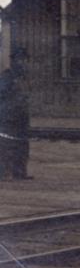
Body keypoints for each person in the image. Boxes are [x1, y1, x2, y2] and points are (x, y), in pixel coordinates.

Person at [0, 47, 30, 180]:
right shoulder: (8, 76)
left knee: (22, 144)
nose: (22, 62)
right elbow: (2, 93)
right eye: (19, 59)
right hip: (9, 113)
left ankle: (20, 172)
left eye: (24, 60)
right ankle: (4, 173)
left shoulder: (24, 76)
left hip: (21, 114)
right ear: (14, 61)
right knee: (7, 144)